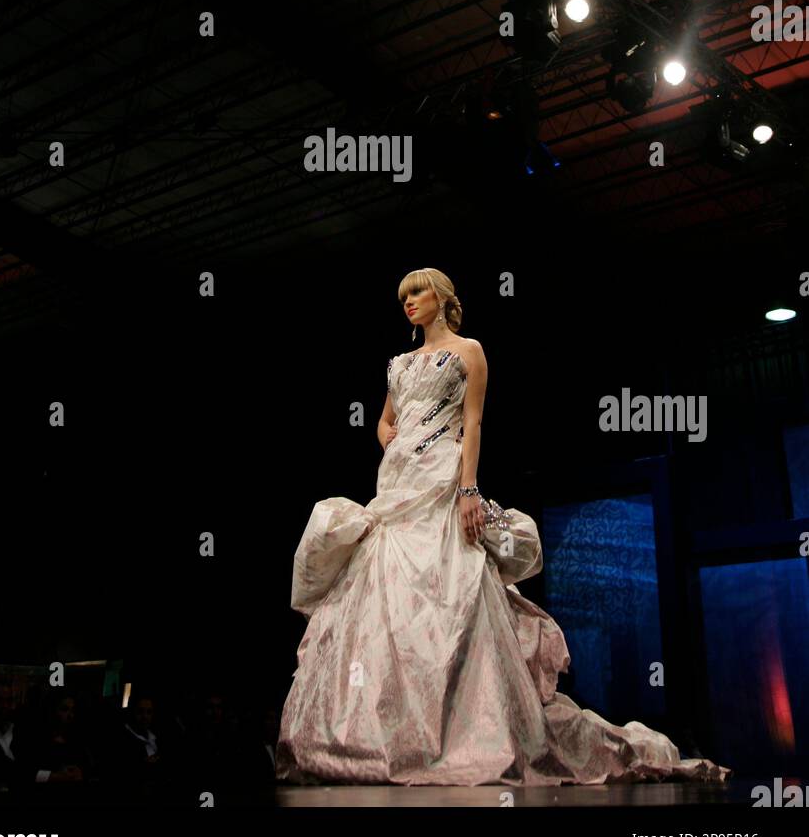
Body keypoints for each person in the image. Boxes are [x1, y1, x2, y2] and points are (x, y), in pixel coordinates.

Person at [275, 267, 732, 787]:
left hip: (443, 483)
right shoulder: (398, 364)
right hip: (398, 486)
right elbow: (384, 420)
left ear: (443, 298)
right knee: (381, 602)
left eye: (418, 292)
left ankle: (460, 732)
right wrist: (396, 443)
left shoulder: (470, 350)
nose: (409, 302)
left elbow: (473, 422)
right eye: (403, 296)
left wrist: (467, 489)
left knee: (454, 594)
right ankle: (384, 736)